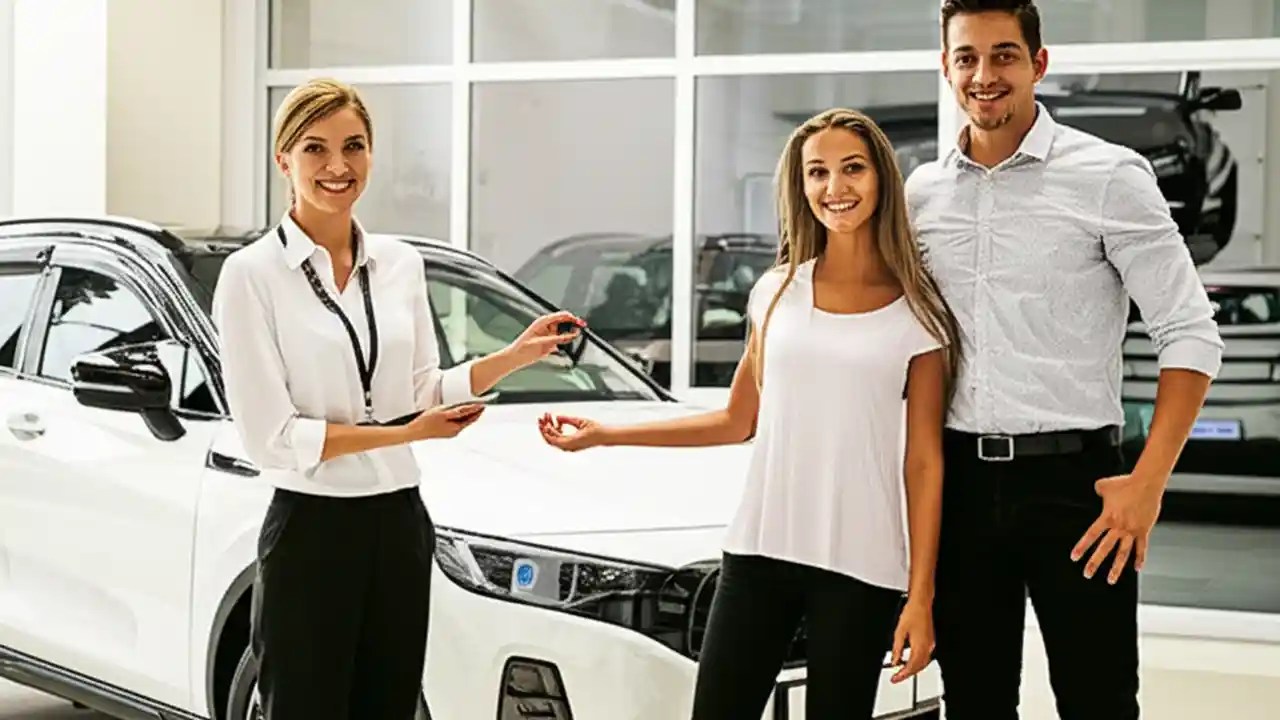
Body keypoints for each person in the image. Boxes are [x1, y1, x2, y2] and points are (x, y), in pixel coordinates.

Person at [538, 108, 961, 719]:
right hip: (760, 553)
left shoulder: (918, 314)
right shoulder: (777, 291)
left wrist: (921, 596)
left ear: (882, 181)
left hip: (864, 566)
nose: (835, 188)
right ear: (800, 185)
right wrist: (607, 433)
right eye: (817, 172)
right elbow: (737, 420)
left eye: (852, 169)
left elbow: (924, 462)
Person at [212, 77, 583, 720]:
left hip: (400, 525)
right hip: (311, 530)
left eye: (354, 146)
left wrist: (514, 355)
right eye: (315, 148)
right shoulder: (252, 276)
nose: (338, 166)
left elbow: (418, 391)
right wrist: (410, 435)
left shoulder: (400, 263)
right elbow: (272, 438)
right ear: (283, 161)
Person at [905, 2, 1225, 719]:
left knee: (1099, 701)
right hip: (956, 490)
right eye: (967, 58)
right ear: (947, 67)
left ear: (1038, 64)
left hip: (1077, 489)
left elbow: (1190, 332)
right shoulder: (920, 194)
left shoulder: (1109, 175)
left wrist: (1148, 483)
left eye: (1004, 55)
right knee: (975, 703)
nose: (985, 76)